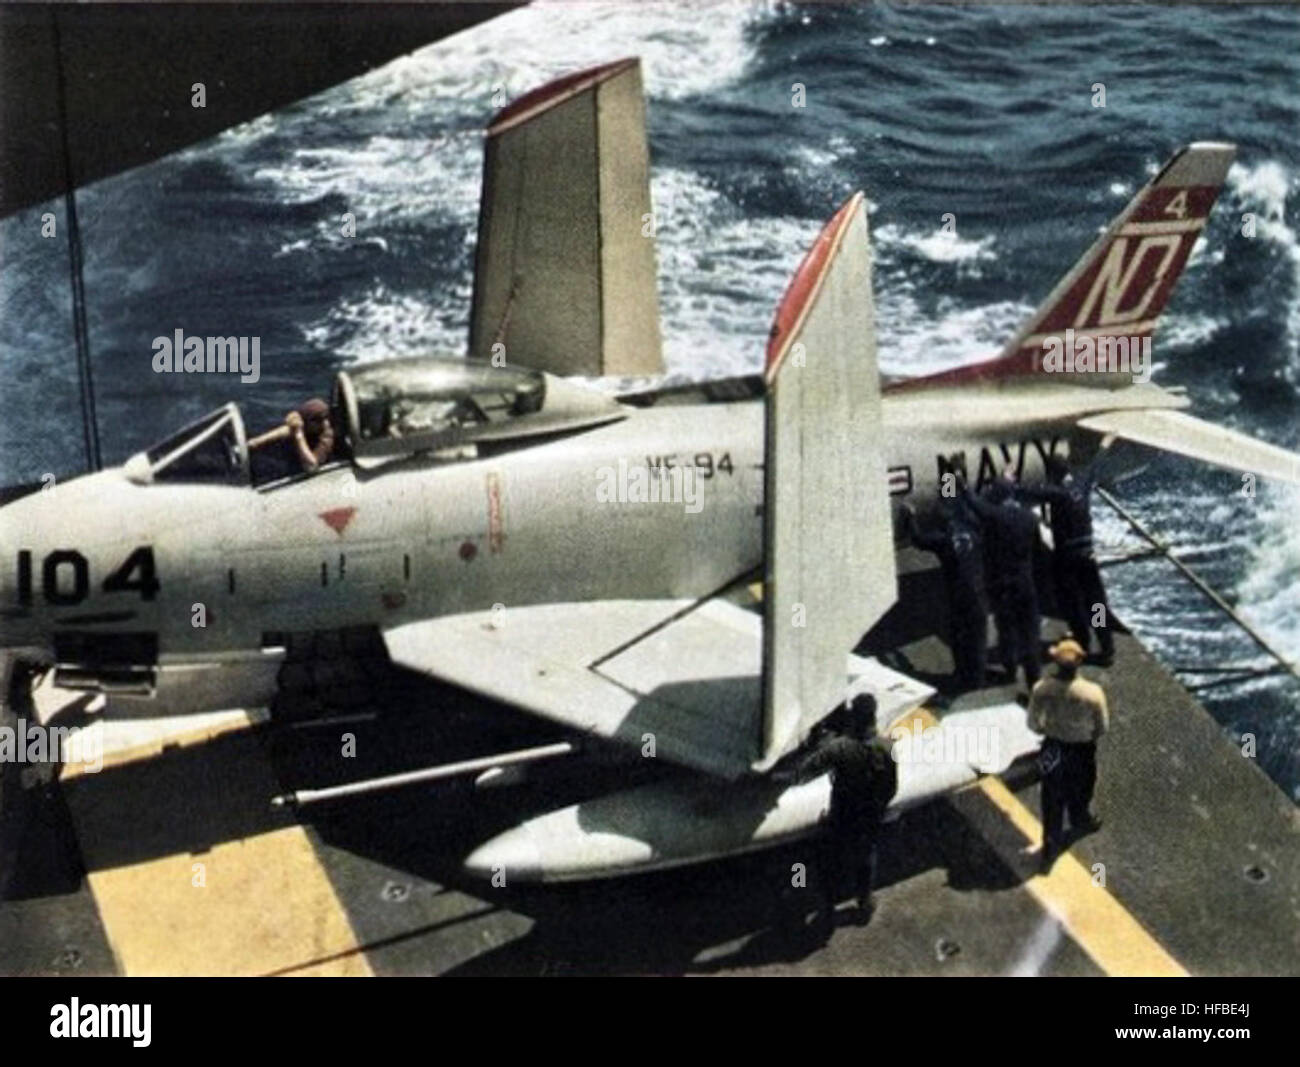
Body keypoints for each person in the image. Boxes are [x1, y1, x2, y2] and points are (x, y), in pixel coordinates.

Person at [788, 695, 898, 936]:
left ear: (854, 716)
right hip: (869, 819)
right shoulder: (887, 747)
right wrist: (878, 809)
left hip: (842, 818)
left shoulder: (840, 748)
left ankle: (827, 910)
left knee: (831, 864)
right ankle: (864, 903)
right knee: (866, 858)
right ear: (873, 715)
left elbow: (803, 772)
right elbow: (891, 787)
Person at [1015, 454, 1114, 665]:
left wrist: (1007, 482)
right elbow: (1094, 466)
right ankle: (1107, 647)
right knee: (1097, 603)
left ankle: (1082, 643)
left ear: (1052, 474)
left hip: (1067, 558)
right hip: (1088, 555)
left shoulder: (1057, 493)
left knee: (1072, 603)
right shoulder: (1082, 485)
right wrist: (1105, 445)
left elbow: (1027, 493)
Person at [1027, 637, 1109, 871]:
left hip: (1052, 746)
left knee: (1051, 796)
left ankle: (1049, 845)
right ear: (1080, 661)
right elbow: (1102, 726)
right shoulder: (1092, 693)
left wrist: (1046, 731)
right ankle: (1080, 818)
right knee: (1083, 785)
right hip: (1081, 748)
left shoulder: (1043, 688)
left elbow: (1033, 723)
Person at [962, 472, 1042, 690]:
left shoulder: (995, 516)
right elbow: (1038, 550)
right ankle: (1034, 680)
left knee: (1006, 630)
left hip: (1002, 585)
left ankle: (1010, 669)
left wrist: (957, 477)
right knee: (1030, 634)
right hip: (1026, 584)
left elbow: (972, 502)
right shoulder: (1030, 518)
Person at [902, 495, 988, 690]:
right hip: (977, 594)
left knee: (959, 637)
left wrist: (910, 516)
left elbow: (918, 540)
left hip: (959, 598)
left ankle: (963, 675)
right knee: (977, 638)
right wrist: (949, 480)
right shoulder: (975, 533)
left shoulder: (944, 541)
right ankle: (977, 678)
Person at [250, 397, 335, 475]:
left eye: (326, 417)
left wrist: (299, 435)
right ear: (305, 421)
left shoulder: (326, 435)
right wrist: (254, 443)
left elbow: (311, 467)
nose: (325, 423)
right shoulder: (303, 428)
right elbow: (285, 431)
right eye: (318, 420)